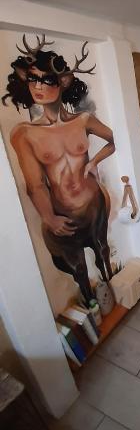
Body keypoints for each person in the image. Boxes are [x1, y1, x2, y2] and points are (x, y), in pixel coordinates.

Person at [2, 35, 115, 304]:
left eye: (47, 80)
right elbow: (35, 185)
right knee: (78, 268)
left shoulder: (83, 120)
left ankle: (114, 293)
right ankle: (93, 307)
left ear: (63, 82)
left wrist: (94, 162)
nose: (38, 86)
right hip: (64, 213)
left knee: (103, 251)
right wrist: (49, 218)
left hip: (95, 205)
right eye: (33, 79)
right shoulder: (24, 134)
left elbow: (112, 140)